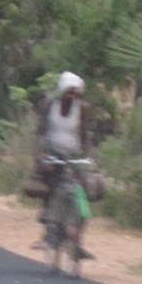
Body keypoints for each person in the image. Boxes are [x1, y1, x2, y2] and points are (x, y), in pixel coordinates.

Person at [35, 71, 95, 258]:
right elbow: (39, 132)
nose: (72, 97)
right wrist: (40, 154)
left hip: (74, 156)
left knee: (82, 194)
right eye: (69, 92)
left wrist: (89, 157)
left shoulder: (83, 108)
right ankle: (49, 228)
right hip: (53, 154)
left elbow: (86, 136)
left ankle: (77, 242)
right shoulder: (49, 105)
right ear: (61, 91)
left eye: (75, 94)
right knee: (52, 184)